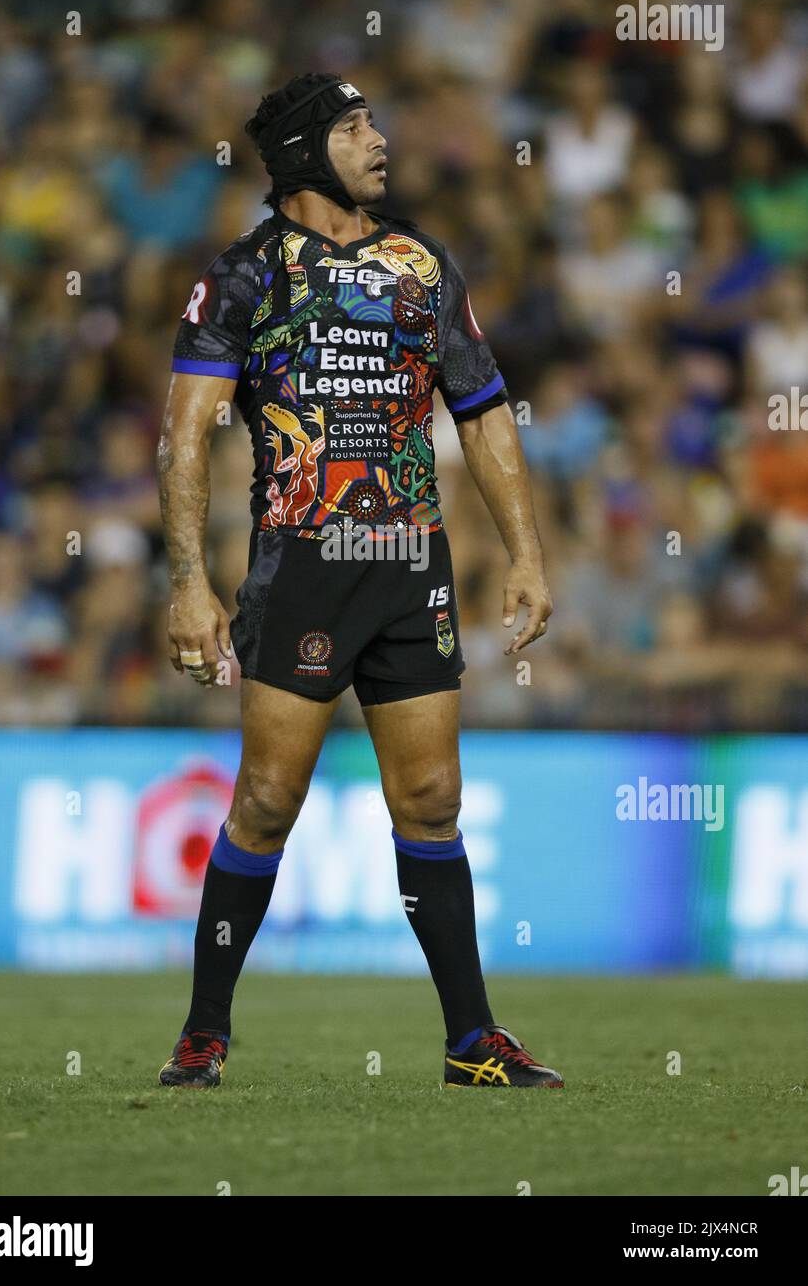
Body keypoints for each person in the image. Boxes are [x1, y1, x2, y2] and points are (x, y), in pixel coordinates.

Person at [156, 72, 562, 1091]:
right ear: (302, 154)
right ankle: (203, 1030)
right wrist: (188, 584)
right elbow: (184, 435)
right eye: (352, 128)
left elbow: (483, 413)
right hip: (299, 572)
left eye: (373, 121)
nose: (378, 140)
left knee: (429, 797)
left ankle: (471, 1039)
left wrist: (524, 552)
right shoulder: (244, 276)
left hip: (407, 569)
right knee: (264, 800)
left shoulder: (420, 262)